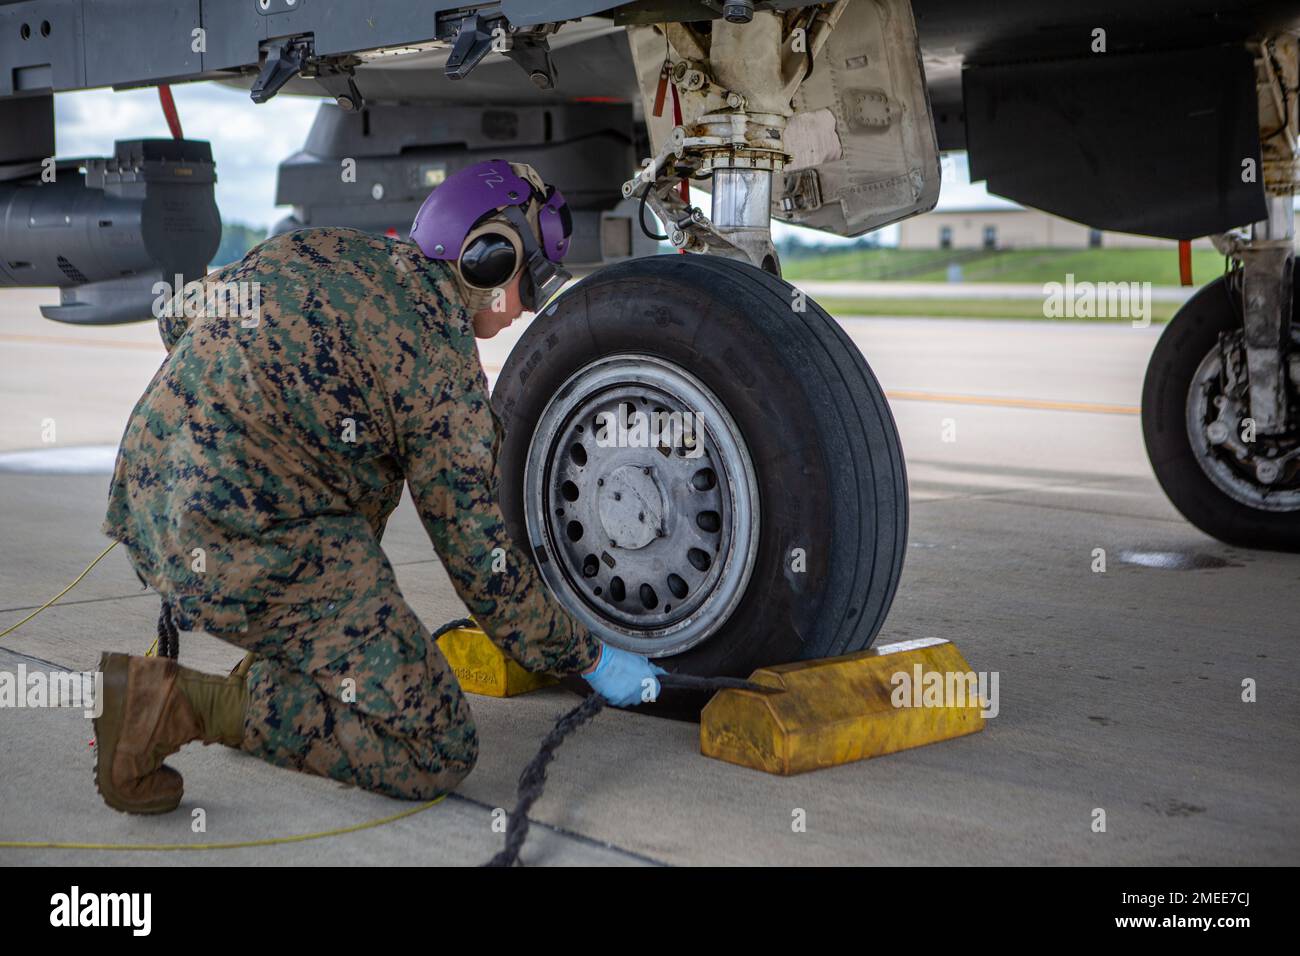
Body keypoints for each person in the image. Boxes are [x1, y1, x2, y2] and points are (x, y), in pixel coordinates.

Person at [93, 160, 663, 815]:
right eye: (525, 288)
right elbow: (483, 563)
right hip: (247, 546)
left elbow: (181, 315)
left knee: (343, 501)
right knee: (437, 746)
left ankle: (286, 666)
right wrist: (588, 657)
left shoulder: (316, 247)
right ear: (487, 257)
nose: (522, 310)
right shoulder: (440, 372)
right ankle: (173, 706)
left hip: (145, 503)